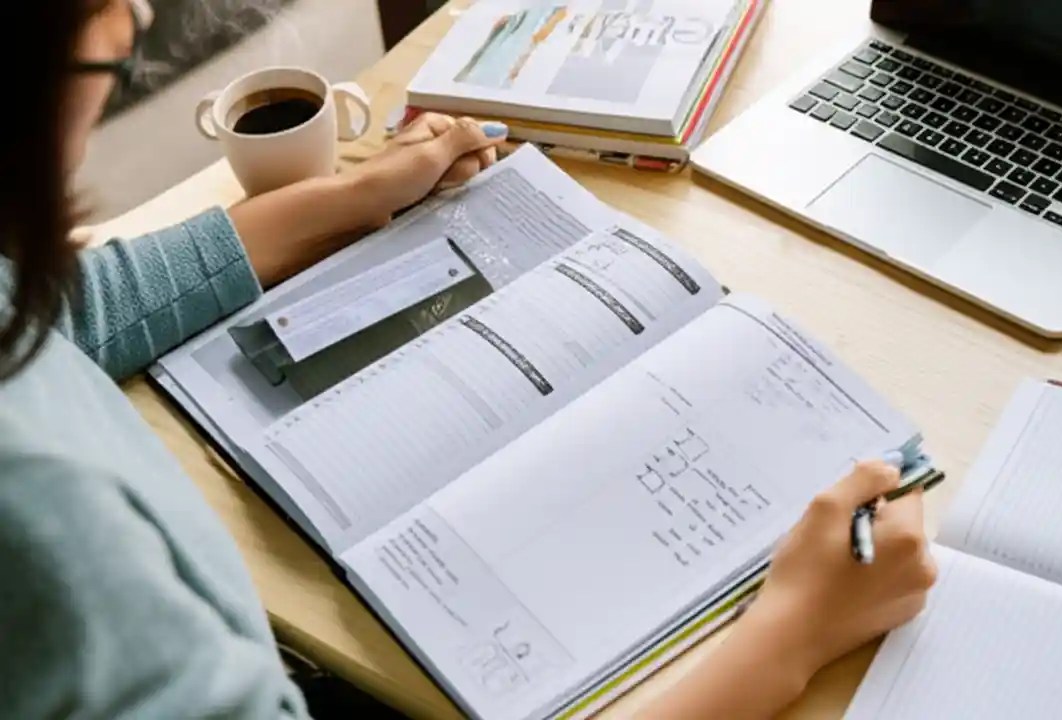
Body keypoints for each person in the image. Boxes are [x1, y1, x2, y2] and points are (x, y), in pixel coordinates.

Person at [0, 1, 936, 718]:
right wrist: (785, 639)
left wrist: (354, 198)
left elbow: (52, 308)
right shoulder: (49, 527)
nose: (143, 18)